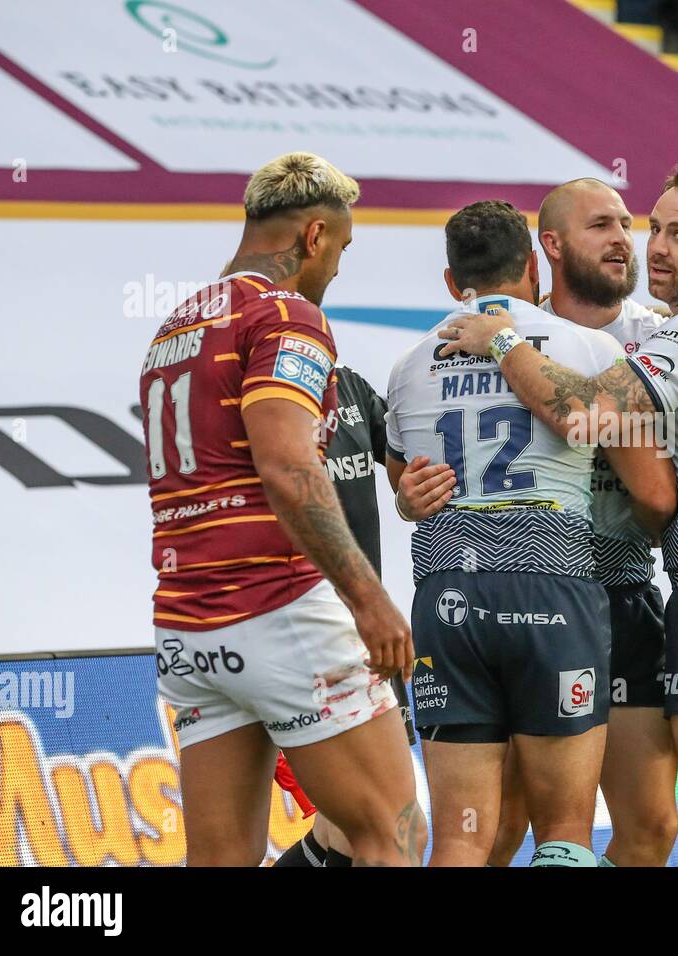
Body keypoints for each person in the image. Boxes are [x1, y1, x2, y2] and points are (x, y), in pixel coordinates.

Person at [439, 162, 678, 868]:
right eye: (611, 226)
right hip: (535, 592)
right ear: (549, 245)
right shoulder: (517, 329)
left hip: (636, 594)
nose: (635, 245)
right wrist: (410, 492)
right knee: (509, 820)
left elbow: (644, 447)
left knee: (659, 824)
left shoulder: (663, 331)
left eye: (645, 230)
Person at [143, 152, 424, 866]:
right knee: (394, 836)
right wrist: (370, 601)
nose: (336, 271)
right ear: (314, 236)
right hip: (278, 608)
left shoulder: (174, 329)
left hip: (189, 626)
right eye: (343, 251)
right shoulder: (284, 315)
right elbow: (290, 467)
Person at [386, 199, 677, 866]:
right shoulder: (590, 347)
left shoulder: (408, 367)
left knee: (463, 833)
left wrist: (409, 505)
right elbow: (654, 493)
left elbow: (409, 490)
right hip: (552, 592)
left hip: (447, 600)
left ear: (451, 281)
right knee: (565, 832)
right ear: (531, 265)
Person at [272, 363, 418, 868]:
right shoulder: (249, 395)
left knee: (352, 830)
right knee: (391, 830)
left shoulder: (350, 384)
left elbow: (405, 466)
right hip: (291, 638)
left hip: (364, 637)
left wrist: (410, 497)